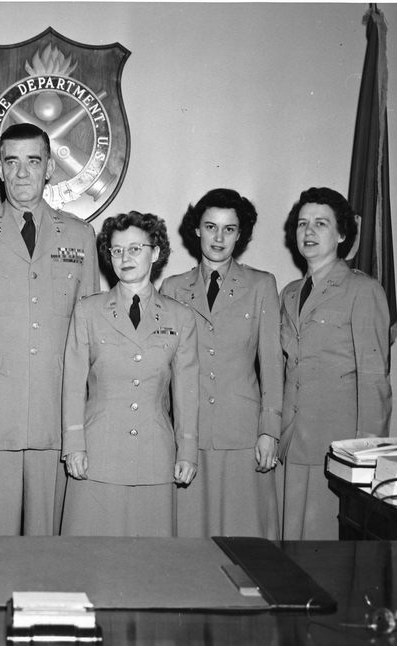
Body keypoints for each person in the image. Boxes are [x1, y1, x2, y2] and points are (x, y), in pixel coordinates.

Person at [0, 123, 100, 536]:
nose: (23, 172)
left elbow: (90, 336)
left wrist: (83, 417)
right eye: (13, 162)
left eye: (34, 161)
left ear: (49, 168)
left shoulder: (80, 236)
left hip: (57, 414)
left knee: (49, 547)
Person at [61, 211, 199, 537]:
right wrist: (74, 445)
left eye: (135, 249)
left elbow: (187, 395)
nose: (125, 257)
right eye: (117, 250)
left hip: (155, 456)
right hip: (97, 454)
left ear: (156, 252)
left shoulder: (180, 318)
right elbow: (72, 385)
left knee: (148, 566)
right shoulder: (88, 311)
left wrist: (188, 451)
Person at [160, 189, 282, 539]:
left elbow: (272, 364)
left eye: (229, 229)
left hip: (242, 432)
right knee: (190, 534)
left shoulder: (262, 285)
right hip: (189, 431)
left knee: (245, 534)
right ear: (196, 229)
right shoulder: (172, 288)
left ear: (240, 234)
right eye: (210, 226)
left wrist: (269, 430)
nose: (218, 237)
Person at [279, 187, 392, 539]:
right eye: (302, 223)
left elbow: (375, 378)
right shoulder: (290, 293)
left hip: (337, 449)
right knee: (290, 550)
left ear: (342, 234)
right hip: (292, 442)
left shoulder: (363, 290)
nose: (308, 232)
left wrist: (366, 452)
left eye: (321, 223)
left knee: (326, 553)